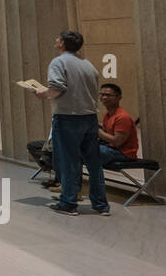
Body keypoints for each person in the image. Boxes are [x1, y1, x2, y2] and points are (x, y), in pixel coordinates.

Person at [34, 30, 110, 217]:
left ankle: (68, 203)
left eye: (57, 38)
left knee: (68, 161)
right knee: (93, 163)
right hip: (89, 117)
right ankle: (101, 205)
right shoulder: (88, 64)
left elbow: (58, 87)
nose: (55, 39)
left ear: (62, 44)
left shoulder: (58, 62)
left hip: (68, 116)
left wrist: (42, 94)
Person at [97, 82, 139, 166]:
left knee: (88, 149)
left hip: (123, 154)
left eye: (108, 95)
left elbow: (117, 142)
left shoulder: (122, 117)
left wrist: (97, 131)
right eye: (102, 94)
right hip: (110, 149)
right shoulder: (107, 114)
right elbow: (108, 131)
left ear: (118, 97)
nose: (104, 97)